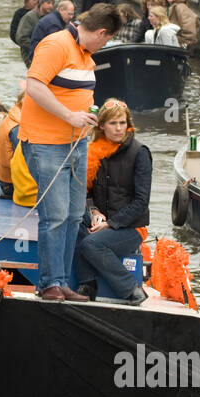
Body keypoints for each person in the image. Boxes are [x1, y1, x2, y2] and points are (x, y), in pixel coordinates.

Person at [22, 3, 123, 302]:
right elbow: (34, 86)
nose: (105, 44)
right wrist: (69, 115)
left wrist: (87, 115)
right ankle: (49, 284)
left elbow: (75, 91)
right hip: (46, 142)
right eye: (107, 39)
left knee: (72, 215)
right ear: (101, 32)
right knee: (53, 216)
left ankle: (62, 281)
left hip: (76, 143)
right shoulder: (56, 44)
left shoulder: (86, 56)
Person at [73, 99, 150, 305]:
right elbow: (86, 193)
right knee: (73, 220)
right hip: (101, 220)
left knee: (90, 244)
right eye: (113, 123)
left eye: (122, 123)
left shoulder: (140, 153)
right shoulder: (93, 151)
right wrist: (95, 211)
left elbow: (141, 201)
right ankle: (88, 285)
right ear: (101, 126)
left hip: (131, 227)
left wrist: (110, 224)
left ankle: (131, 289)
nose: (119, 128)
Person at [17, 0, 56, 65]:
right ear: (41, 3)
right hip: (30, 54)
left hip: (49, 53)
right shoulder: (29, 17)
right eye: (48, 3)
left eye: (52, 4)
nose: (51, 6)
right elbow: (21, 38)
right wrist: (38, 47)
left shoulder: (53, 16)